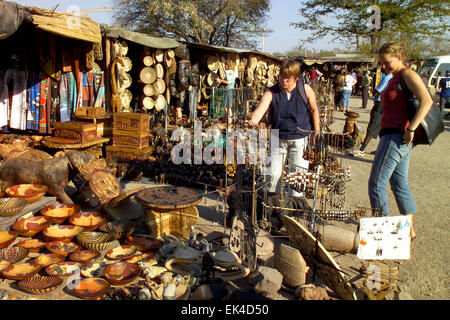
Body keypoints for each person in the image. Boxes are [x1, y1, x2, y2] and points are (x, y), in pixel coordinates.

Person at [368, 42, 433, 240]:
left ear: (399, 57)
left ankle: (384, 234)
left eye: (387, 62)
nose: (384, 67)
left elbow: (427, 100)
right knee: (399, 182)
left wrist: (412, 127)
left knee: (376, 183)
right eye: (381, 63)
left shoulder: (407, 74)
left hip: (397, 135)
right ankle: (409, 229)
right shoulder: (393, 77)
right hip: (393, 134)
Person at [248, 59, 320, 197]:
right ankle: (272, 206)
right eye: (281, 76)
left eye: (288, 78)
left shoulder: (305, 89)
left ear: (296, 78)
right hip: (278, 137)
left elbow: (314, 110)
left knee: (298, 177)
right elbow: (260, 109)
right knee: (273, 175)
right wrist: (253, 121)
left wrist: (316, 132)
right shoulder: (272, 92)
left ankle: (294, 206)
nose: (284, 80)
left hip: (300, 138)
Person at [353, 69, 392, 157]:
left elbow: (377, 91)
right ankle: (381, 149)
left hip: (380, 104)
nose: (382, 68)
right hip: (384, 104)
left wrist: (374, 93)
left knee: (372, 126)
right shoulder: (391, 77)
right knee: (381, 128)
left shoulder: (387, 77)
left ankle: (361, 150)